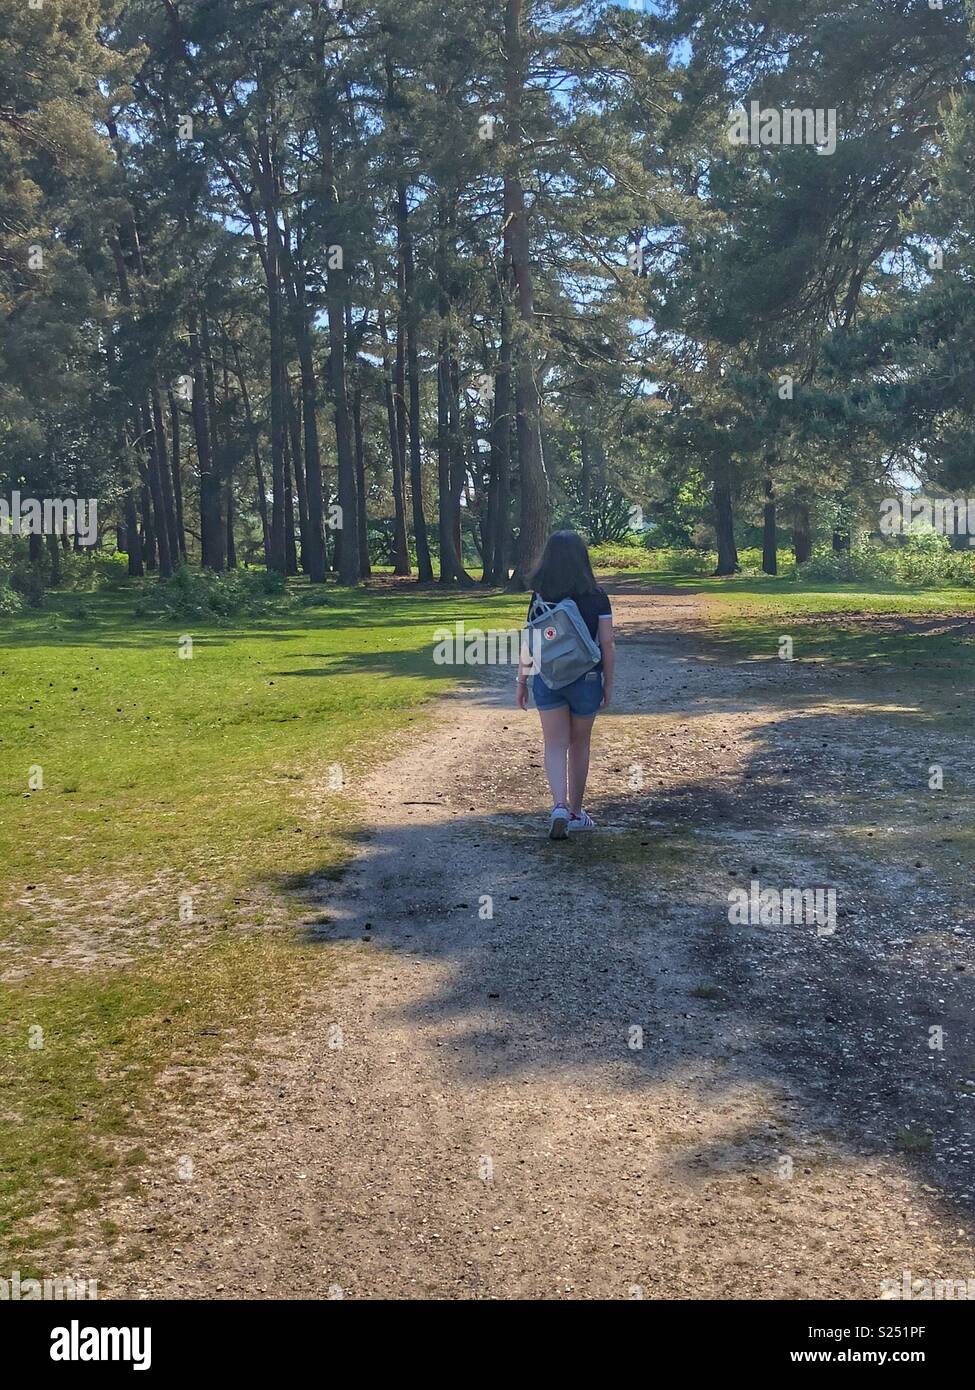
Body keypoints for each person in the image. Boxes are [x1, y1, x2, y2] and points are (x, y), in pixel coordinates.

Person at [516, 531, 615, 839]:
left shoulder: (540, 594)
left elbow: (530, 639)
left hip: (549, 678)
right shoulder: (597, 596)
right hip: (586, 679)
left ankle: (558, 805)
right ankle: (575, 812)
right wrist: (608, 683)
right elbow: (608, 644)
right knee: (579, 744)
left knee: (555, 744)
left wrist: (522, 680)